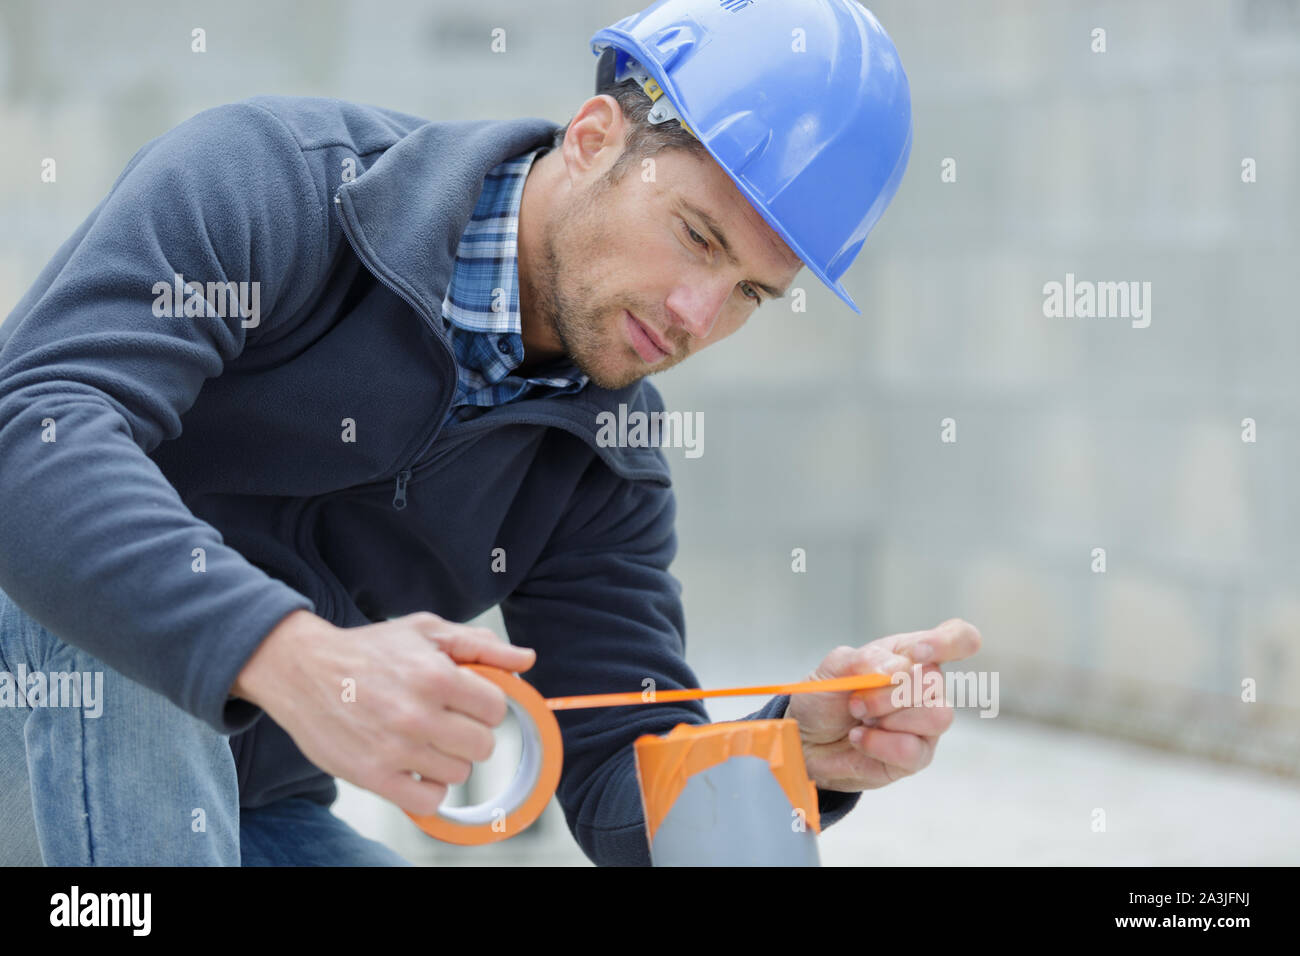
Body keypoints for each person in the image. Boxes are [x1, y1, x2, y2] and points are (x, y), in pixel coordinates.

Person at [0, 0, 979, 867]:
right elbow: (32, 438)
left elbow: (617, 788)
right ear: (595, 137)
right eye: (697, 236)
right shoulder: (271, 185)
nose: (695, 313)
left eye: (750, 294)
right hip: (29, 731)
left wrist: (792, 757)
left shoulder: (602, 461)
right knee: (98, 581)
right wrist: (295, 654)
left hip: (243, 814)